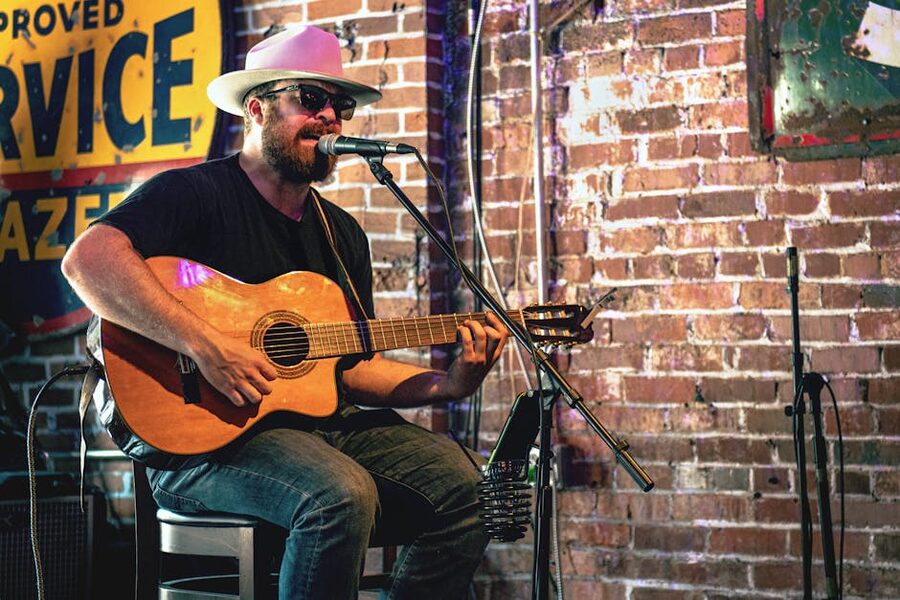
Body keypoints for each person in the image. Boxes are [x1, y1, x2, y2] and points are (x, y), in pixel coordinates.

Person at [61, 25, 509, 599]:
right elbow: (87, 260)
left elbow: (348, 368)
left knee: (467, 486)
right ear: (257, 109)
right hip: (204, 443)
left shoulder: (341, 232)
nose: (329, 117)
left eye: (340, 105)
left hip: (316, 430)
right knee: (340, 493)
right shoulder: (194, 194)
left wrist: (447, 384)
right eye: (310, 99)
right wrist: (206, 345)